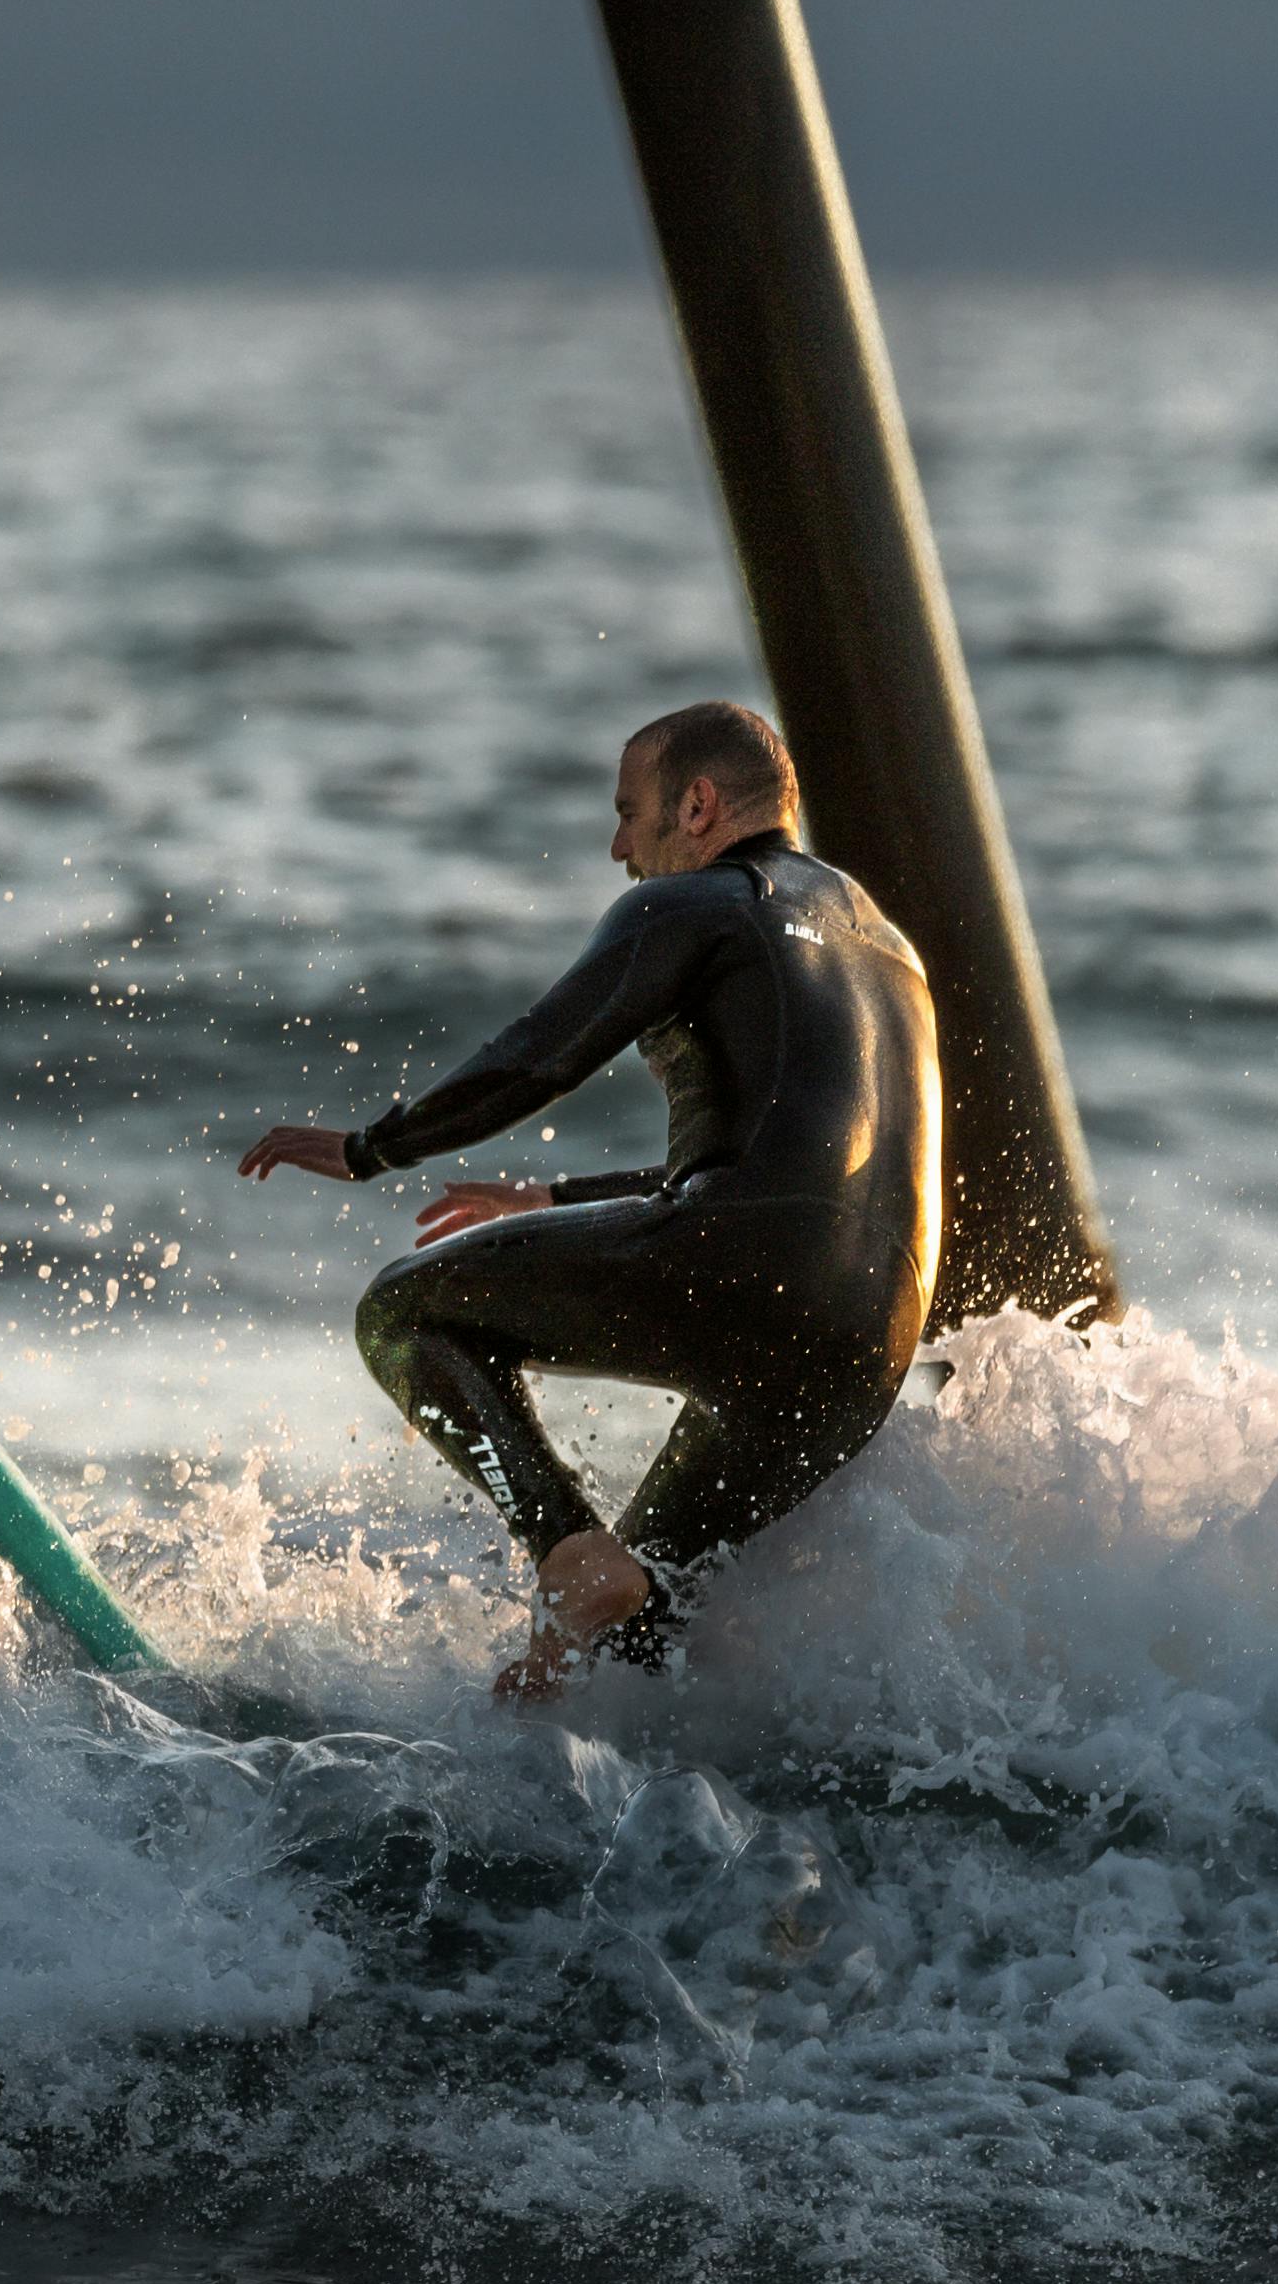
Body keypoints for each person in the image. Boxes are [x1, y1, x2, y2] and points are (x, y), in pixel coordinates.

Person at [235, 701, 941, 1697]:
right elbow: (802, 1174)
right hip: (866, 1344)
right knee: (637, 1639)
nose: (617, 847)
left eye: (628, 812)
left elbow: (540, 1054)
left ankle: (562, 1547)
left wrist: (369, 1147)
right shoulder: (889, 953)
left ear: (696, 805)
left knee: (404, 1316)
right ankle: (598, 1794)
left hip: (751, 1261)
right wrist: (551, 1194)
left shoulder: (706, 901)